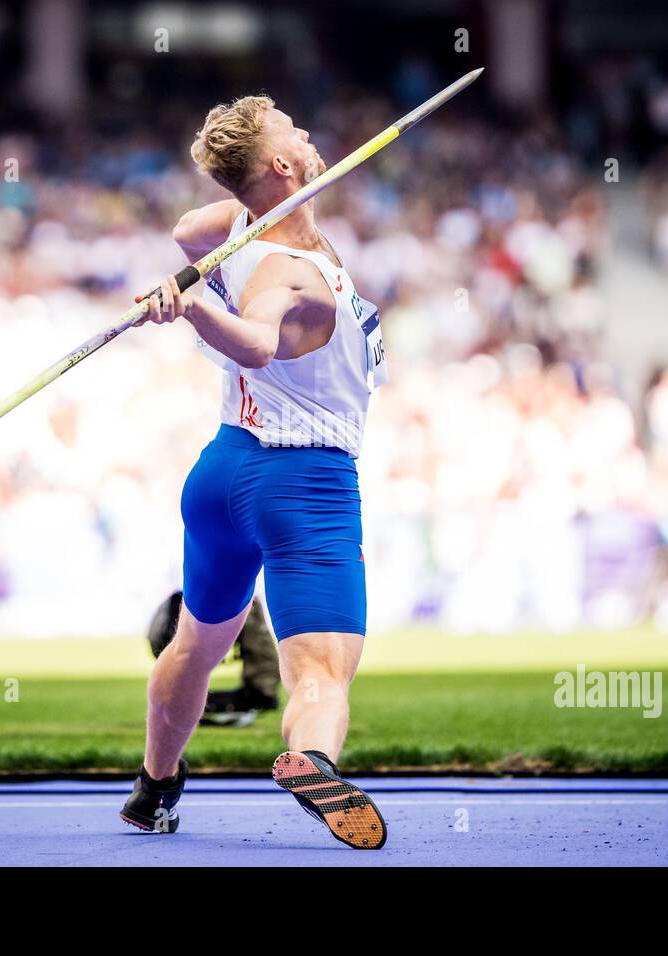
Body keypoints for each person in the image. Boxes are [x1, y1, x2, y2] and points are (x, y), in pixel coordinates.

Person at [119, 95, 389, 848]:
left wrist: (223, 240)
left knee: (197, 646)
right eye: (294, 134)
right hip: (303, 486)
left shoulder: (234, 230)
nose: (308, 135)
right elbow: (259, 343)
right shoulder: (291, 274)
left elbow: (186, 230)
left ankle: (155, 787)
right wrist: (197, 307)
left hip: (221, 475)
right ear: (282, 164)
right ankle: (311, 759)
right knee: (322, 671)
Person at [146, 591, 280, 727]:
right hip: (176, 628)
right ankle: (258, 694)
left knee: (248, 607)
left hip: (174, 628)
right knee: (248, 607)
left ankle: (258, 694)